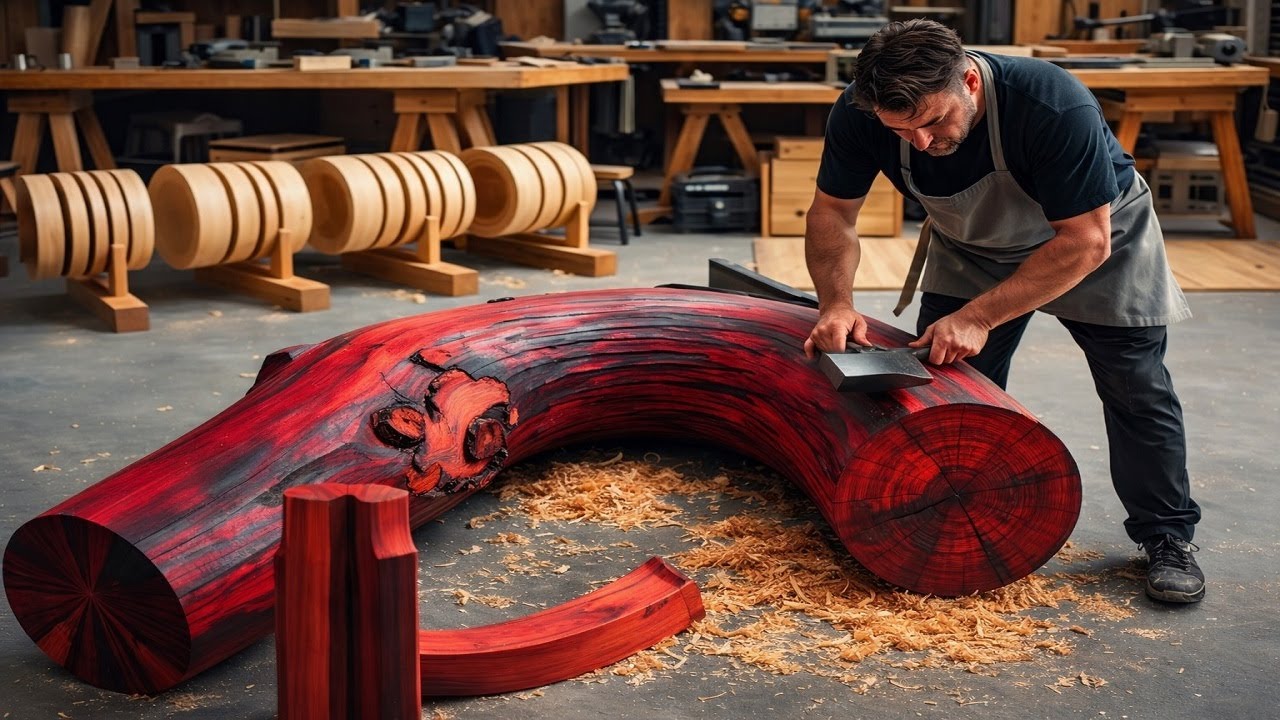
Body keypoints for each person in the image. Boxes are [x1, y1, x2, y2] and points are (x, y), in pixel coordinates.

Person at [803, 19, 1205, 603]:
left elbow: (1085, 241)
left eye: (933, 122)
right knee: (945, 392)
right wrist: (836, 304)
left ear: (969, 80)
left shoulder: (1051, 103)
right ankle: (950, 527)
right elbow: (833, 212)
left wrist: (978, 317)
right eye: (902, 130)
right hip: (973, 246)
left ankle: (1167, 535)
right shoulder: (859, 113)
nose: (919, 142)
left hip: (1097, 241)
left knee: (1135, 386)